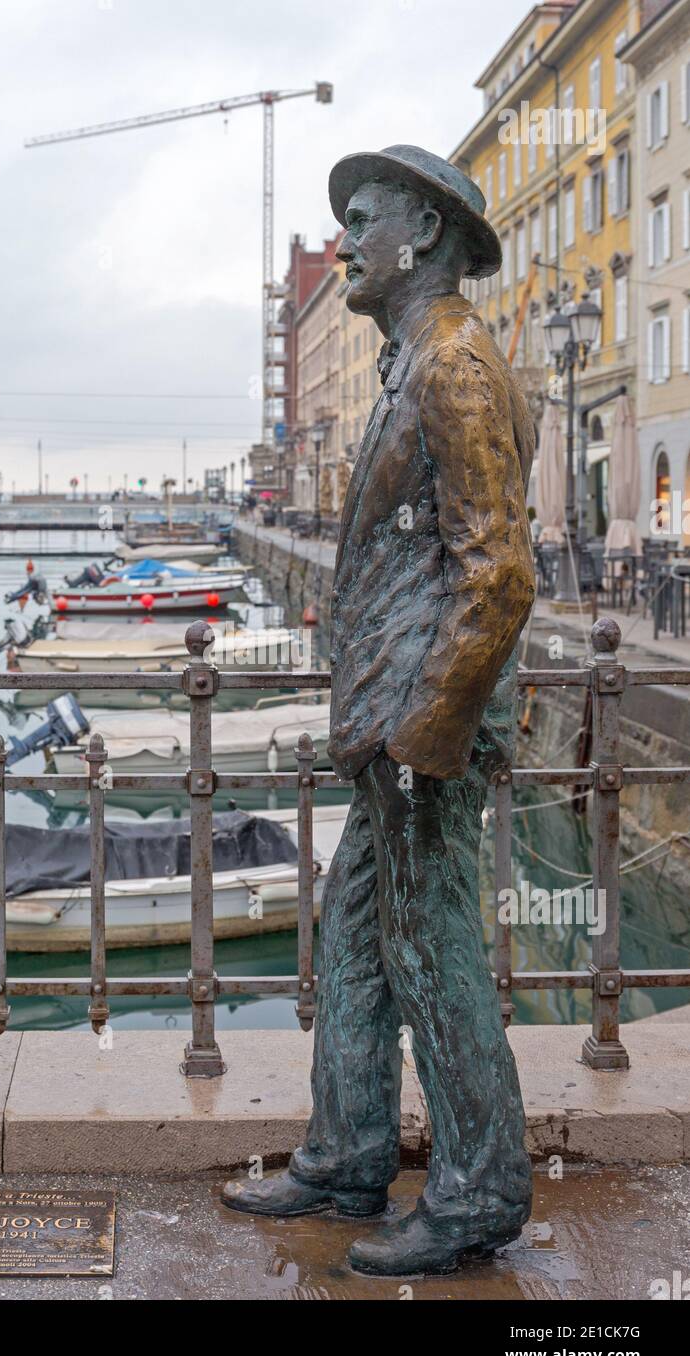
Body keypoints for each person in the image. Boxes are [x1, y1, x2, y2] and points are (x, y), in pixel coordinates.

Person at [222, 145, 536, 1277]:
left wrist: (425, 728)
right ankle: (349, 1153)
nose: (346, 242)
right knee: (354, 937)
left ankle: (476, 1190)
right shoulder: (417, 360)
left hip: (422, 728)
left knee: (427, 945)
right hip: (395, 721)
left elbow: (497, 571)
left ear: (427, 232)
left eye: (363, 221)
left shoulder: (450, 365)